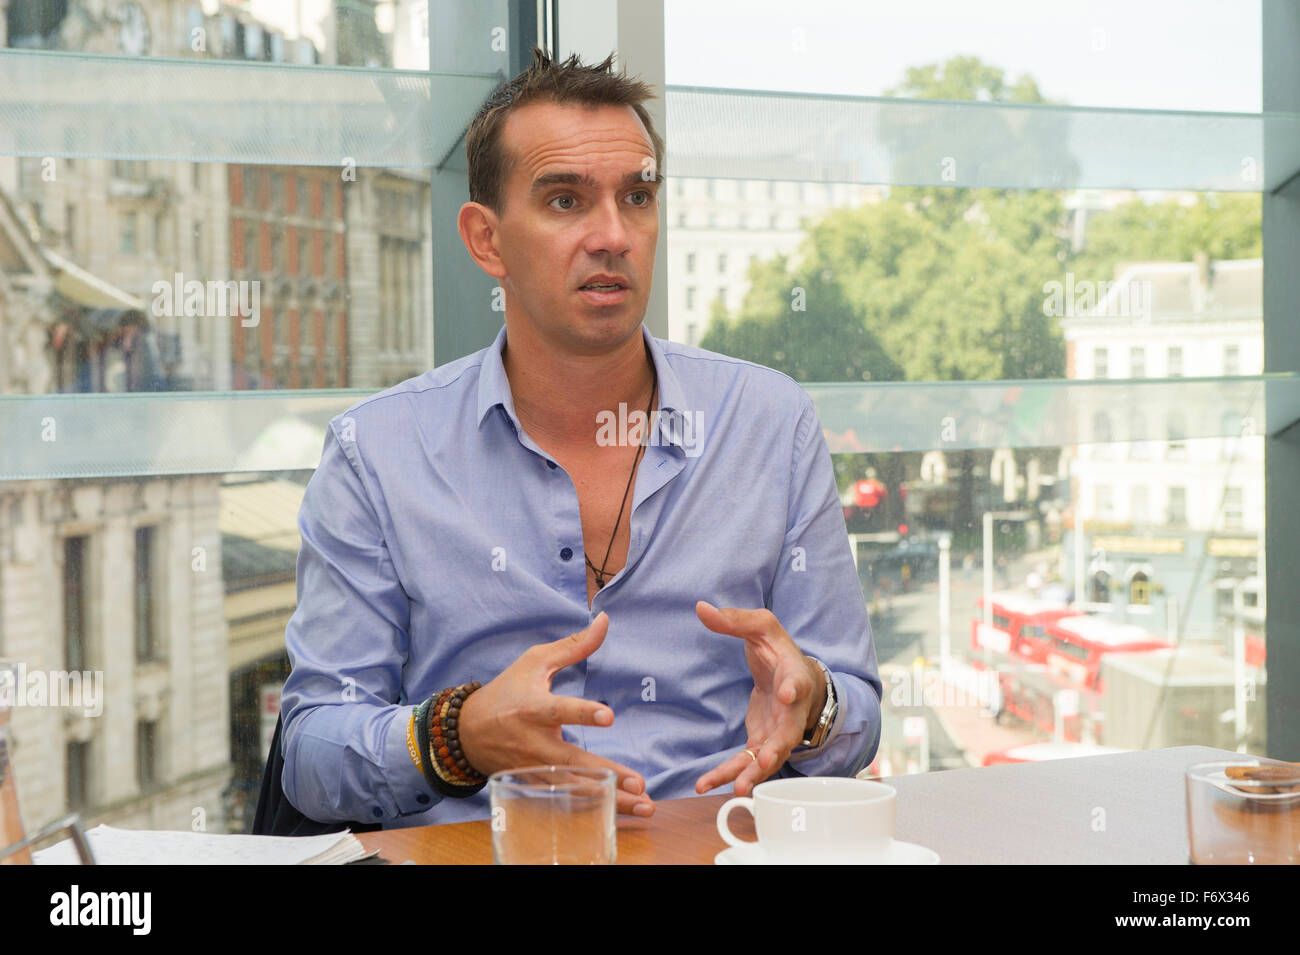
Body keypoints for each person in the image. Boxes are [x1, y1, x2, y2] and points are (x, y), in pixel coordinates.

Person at [278, 48, 882, 828]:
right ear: (487, 240)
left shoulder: (769, 422)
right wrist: (456, 737)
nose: (613, 235)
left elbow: (856, 714)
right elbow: (311, 753)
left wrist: (816, 704)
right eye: (565, 201)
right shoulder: (377, 453)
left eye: (636, 196)